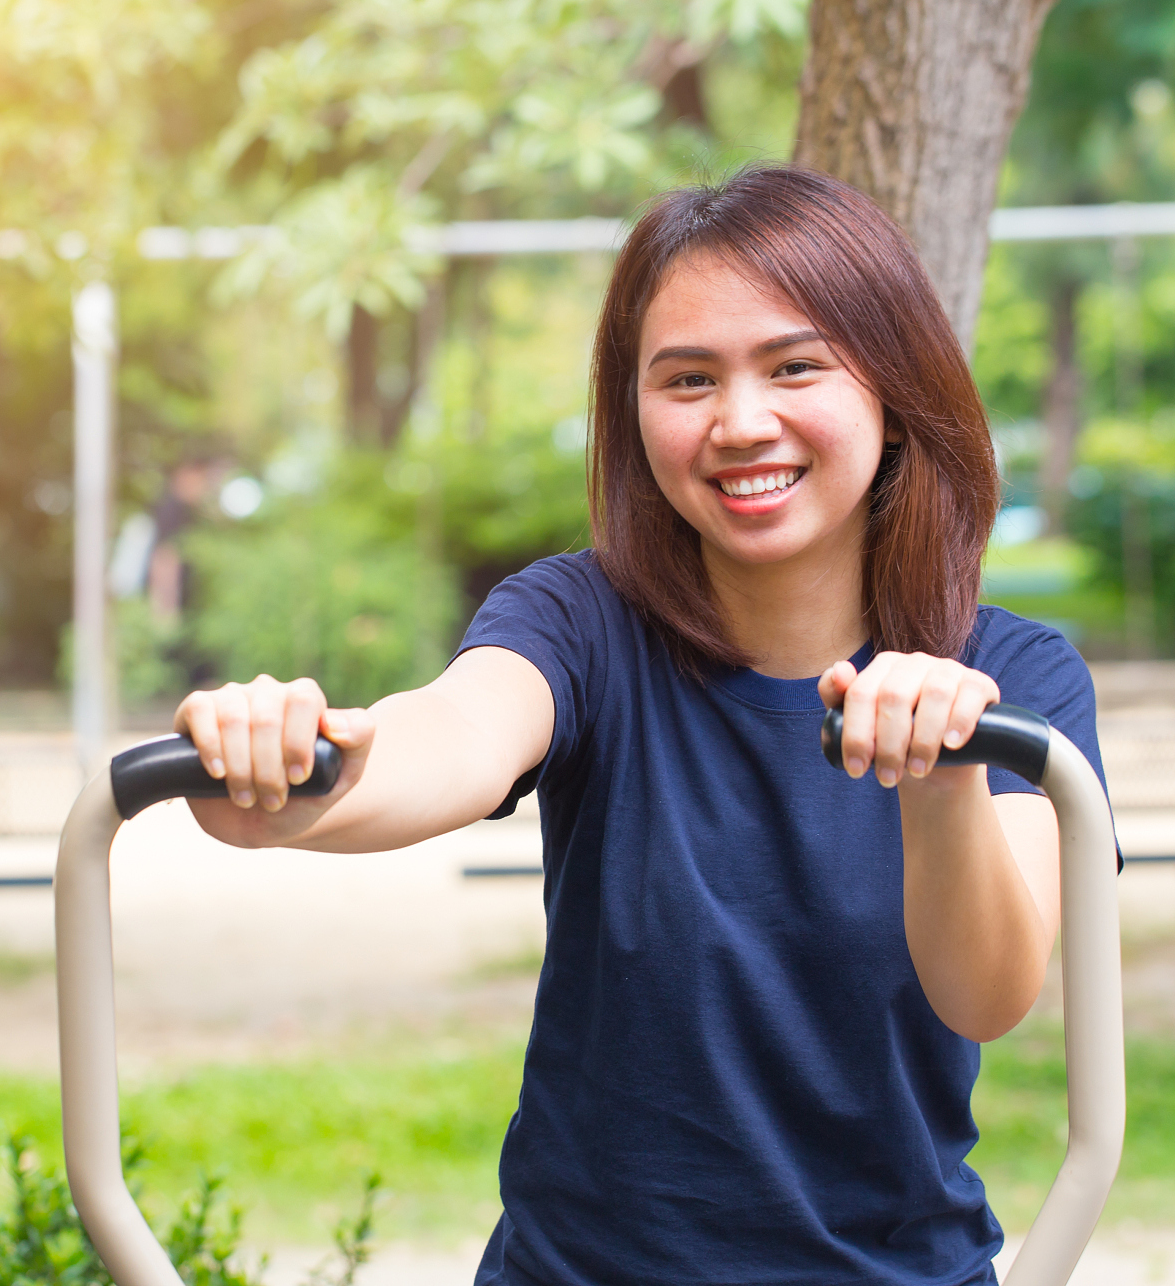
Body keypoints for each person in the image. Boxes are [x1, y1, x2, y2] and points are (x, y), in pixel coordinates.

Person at [172, 164, 1107, 1286]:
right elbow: (451, 739)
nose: (739, 422)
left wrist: (940, 778)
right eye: (686, 380)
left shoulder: (1011, 677)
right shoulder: (578, 623)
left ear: (891, 389)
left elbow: (988, 991)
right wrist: (289, 772)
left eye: (793, 365)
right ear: (633, 412)